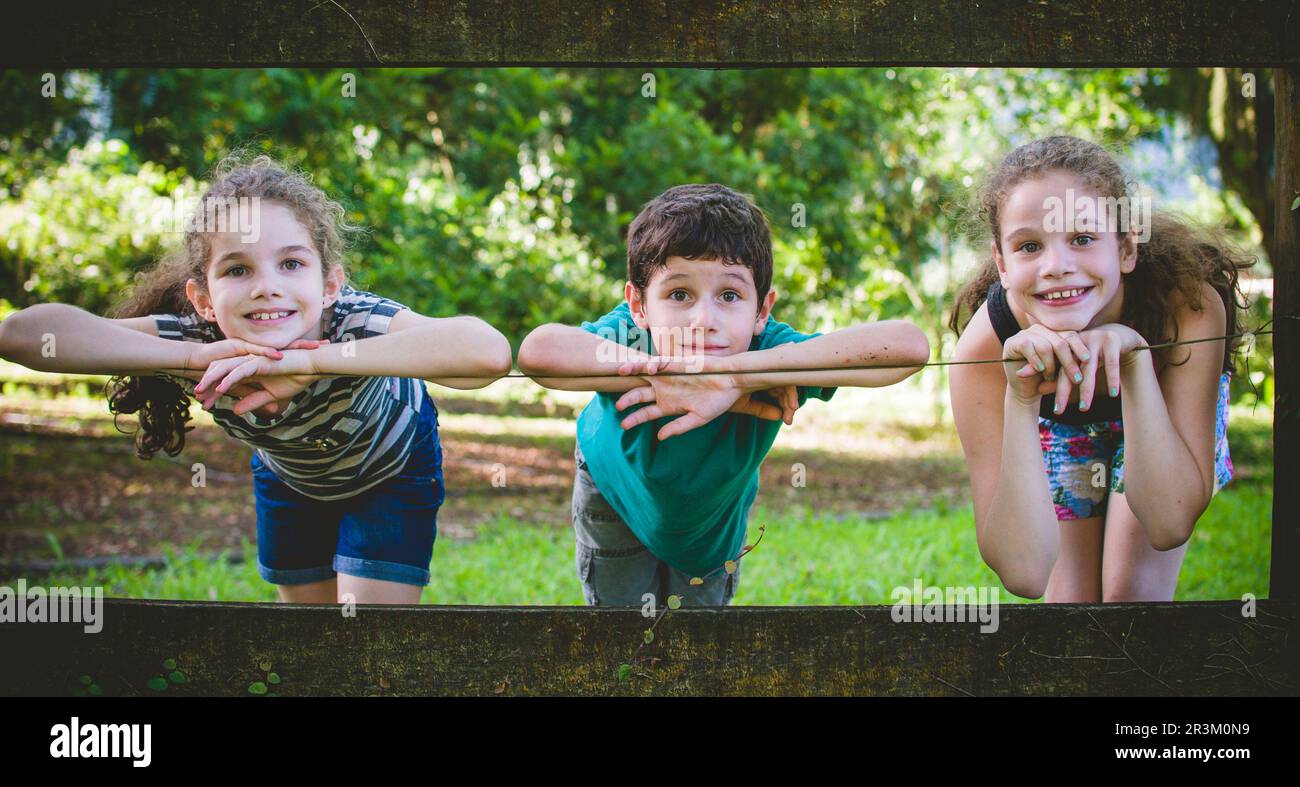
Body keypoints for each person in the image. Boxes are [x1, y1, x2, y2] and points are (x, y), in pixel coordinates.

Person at [0, 153, 512, 604]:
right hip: (290, 478)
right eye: (238, 270)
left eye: (291, 263)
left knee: (370, 642)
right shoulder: (198, 339)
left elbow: (487, 353)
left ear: (329, 284)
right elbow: (22, 336)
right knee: (308, 642)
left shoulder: (353, 318)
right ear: (203, 299)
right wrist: (189, 360)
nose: (268, 288)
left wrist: (312, 363)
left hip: (392, 466)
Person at [519, 183, 930, 607]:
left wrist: (736, 379)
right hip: (613, 489)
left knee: (702, 637)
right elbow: (538, 352)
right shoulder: (630, 333)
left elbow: (907, 347)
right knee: (621, 629)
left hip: (711, 519)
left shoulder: (769, 346)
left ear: (762, 310)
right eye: (679, 295)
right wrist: (664, 377)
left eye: (729, 296)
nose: (704, 319)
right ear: (639, 305)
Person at [947, 135, 1252, 602]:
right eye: (1029, 246)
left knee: (1133, 595)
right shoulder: (983, 353)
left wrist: (1134, 366)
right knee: (1070, 610)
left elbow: (1169, 523)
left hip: (1160, 409)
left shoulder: (1186, 305)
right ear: (1001, 263)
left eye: (1083, 239)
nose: (1057, 266)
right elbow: (1023, 573)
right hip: (1059, 421)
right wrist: (1022, 399)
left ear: (1126, 248)